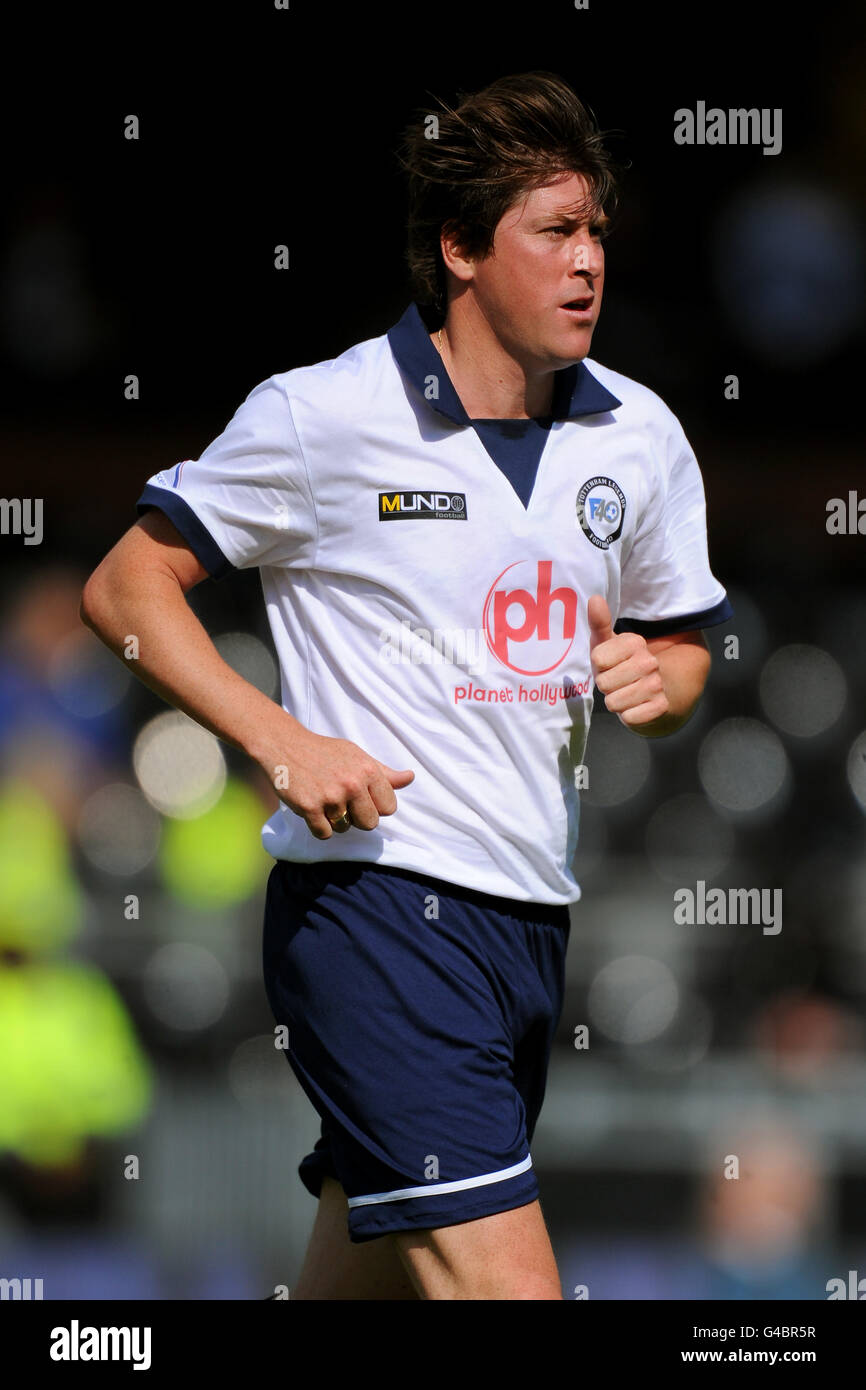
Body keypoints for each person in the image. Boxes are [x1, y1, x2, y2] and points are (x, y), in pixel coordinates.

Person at [80, 70, 731, 1300]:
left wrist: (669, 676)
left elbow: (686, 639)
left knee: (364, 1285)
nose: (587, 259)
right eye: (552, 231)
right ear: (459, 251)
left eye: (594, 230)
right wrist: (280, 741)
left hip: (527, 925)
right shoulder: (324, 415)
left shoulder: (636, 433)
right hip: (376, 918)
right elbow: (124, 592)